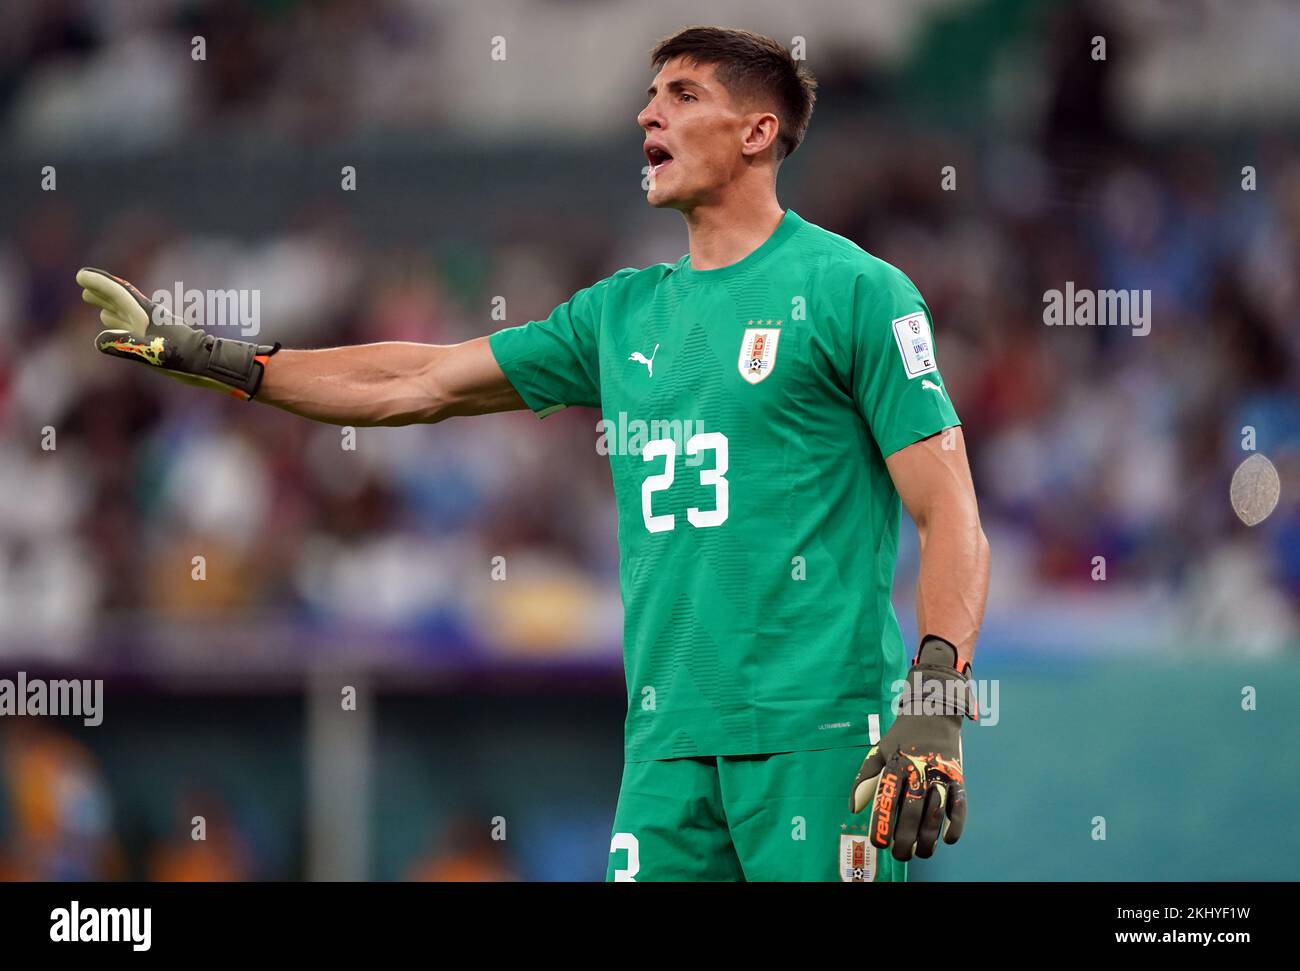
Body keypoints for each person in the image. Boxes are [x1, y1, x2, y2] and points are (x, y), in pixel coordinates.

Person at [77, 26, 990, 882]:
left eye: (680, 94)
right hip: (666, 745)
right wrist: (222, 360)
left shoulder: (856, 292)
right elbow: (417, 382)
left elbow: (948, 508)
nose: (647, 115)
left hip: (819, 733)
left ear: (758, 131)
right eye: (648, 96)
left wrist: (938, 697)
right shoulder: (618, 313)